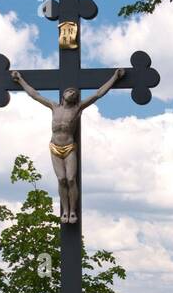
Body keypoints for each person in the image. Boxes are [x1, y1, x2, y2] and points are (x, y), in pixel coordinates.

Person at [11, 67, 125, 223]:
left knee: (71, 179)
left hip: (70, 147)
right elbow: (34, 95)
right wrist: (20, 79)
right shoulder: (54, 106)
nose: (73, 93)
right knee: (61, 179)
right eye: (70, 91)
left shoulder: (78, 108)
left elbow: (98, 94)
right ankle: (65, 210)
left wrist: (115, 77)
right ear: (63, 95)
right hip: (54, 147)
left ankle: (73, 211)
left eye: (75, 93)